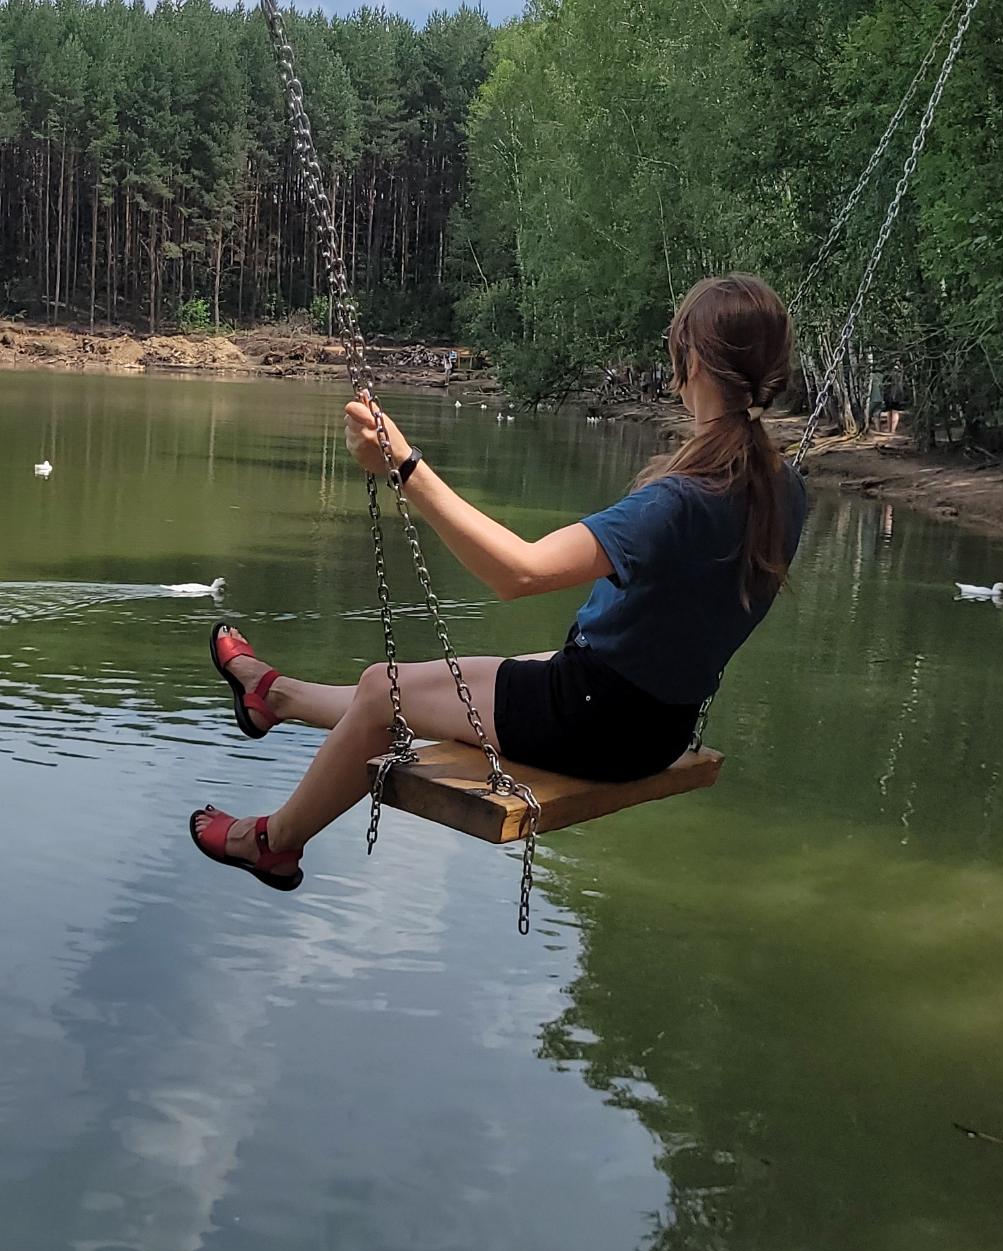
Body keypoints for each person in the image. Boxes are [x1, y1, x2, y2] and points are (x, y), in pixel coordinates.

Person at [190, 275, 807, 889]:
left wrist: (406, 468)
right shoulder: (785, 490)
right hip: (655, 725)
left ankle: (272, 842)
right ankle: (274, 697)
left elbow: (519, 570)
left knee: (384, 689)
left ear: (690, 360)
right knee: (447, 680)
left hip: (593, 723)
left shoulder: (679, 500)